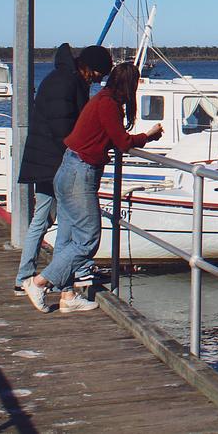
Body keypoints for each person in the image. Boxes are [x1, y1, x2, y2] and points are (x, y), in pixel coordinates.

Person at [22, 62, 162, 313]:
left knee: (67, 237)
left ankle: (67, 296)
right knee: (88, 238)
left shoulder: (101, 99)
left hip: (69, 167)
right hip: (80, 173)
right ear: (129, 85)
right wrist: (148, 136)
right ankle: (39, 282)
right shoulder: (108, 105)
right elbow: (122, 142)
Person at [14, 44, 113, 294]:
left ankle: (28, 276)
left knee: (44, 219)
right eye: (99, 73)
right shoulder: (66, 83)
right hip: (54, 161)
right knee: (60, 221)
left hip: (46, 159)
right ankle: (52, 281)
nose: (98, 79)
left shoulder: (61, 78)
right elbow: (65, 130)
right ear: (88, 69)